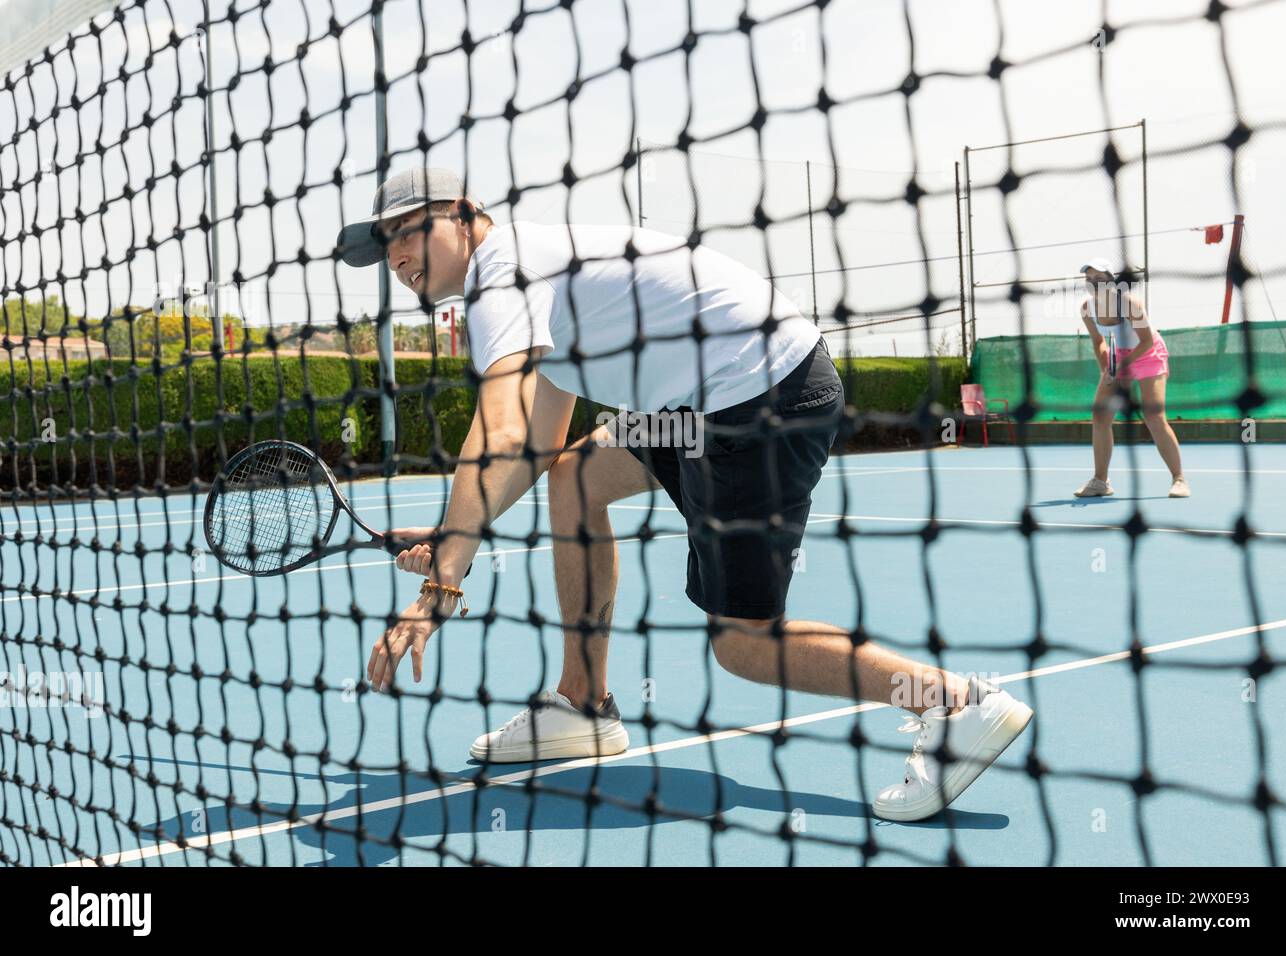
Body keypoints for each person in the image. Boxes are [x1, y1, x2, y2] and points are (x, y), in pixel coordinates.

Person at [336, 167, 1034, 822]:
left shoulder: (503, 276)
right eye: (384, 247)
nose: (395, 258)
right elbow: (537, 446)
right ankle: (583, 707)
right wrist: (453, 534)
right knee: (577, 477)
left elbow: (501, 428)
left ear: (463, 215)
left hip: (758, 395)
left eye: (407, 232)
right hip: (704, 403)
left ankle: (955, 703)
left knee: (744, 647)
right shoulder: (532, 273)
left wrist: (443, 585)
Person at [1075, 258, 1190, 499]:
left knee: (1153, 415)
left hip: (1148, 353)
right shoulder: (1087, 308)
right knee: (1100, 416)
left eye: (1099, 278)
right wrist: (1105, 369)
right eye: (1089, 279)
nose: (1093, 283)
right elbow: (1099, 342)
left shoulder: (1128, 303)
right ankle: (1100, 481)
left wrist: (1121, 366)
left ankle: (1179, 479)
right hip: (1119, 355)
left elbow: (1146, 341)